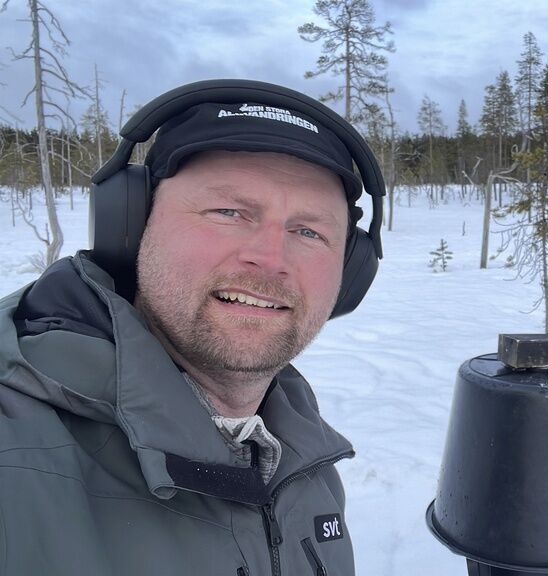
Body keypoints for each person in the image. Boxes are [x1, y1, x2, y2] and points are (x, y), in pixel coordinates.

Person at [0, 80, 384, 575]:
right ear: (133, 227)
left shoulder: (303, 457)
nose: (270, 259)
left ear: (349, 275)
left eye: (309, 231)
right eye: (228, 211)